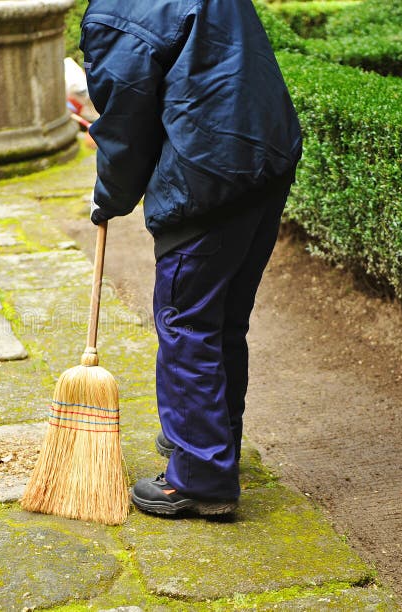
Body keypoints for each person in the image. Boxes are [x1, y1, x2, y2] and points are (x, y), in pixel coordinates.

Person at [80, 0, 303, 517]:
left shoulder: (115, 14)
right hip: (265, 161)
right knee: (222, 319)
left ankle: (201, 477)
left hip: (206, 177)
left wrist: (108, 196)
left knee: (187, 321)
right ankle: (212, 442)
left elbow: (125, 125)